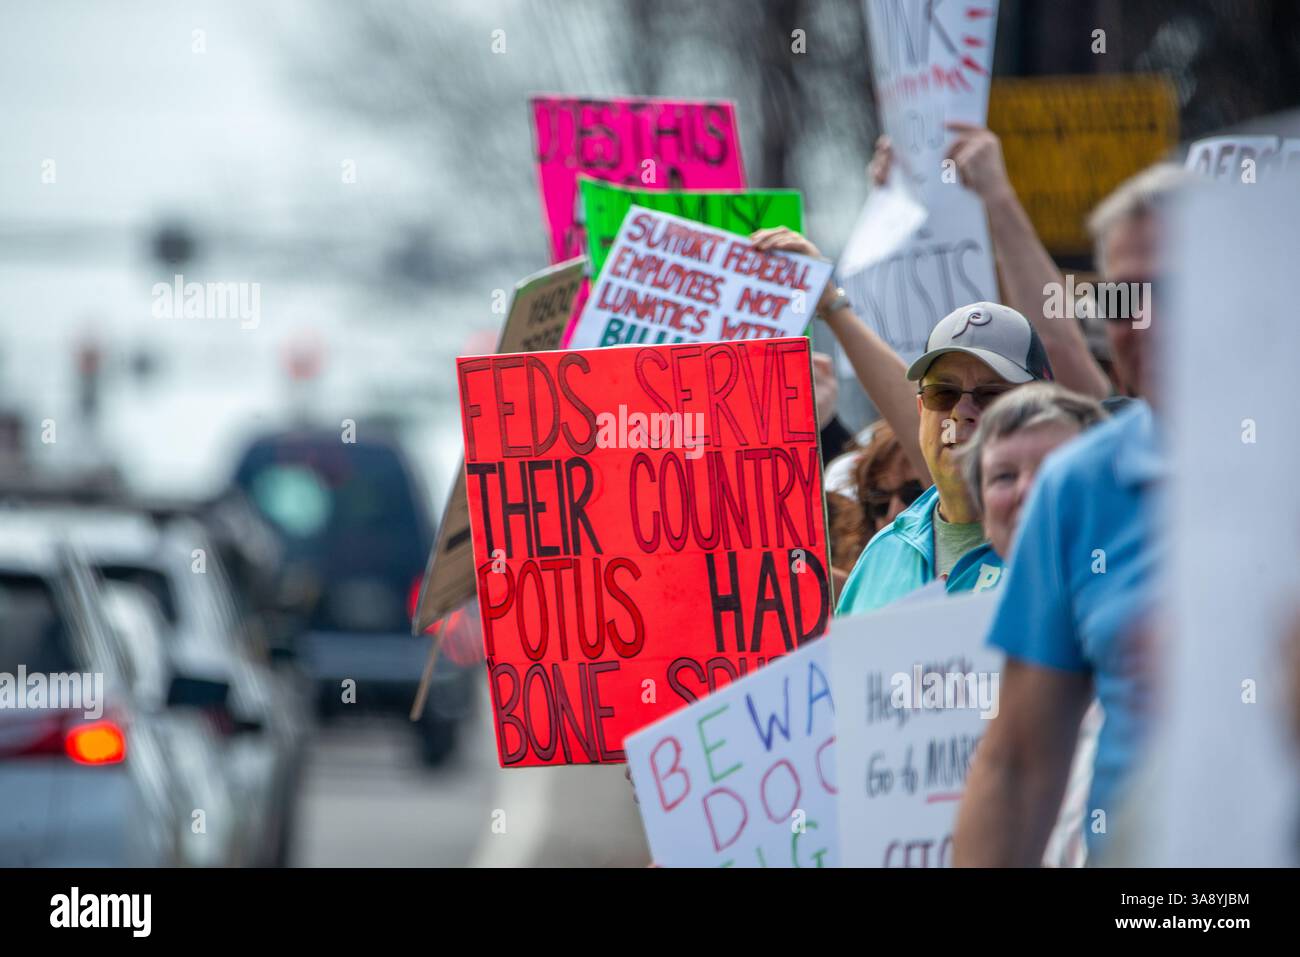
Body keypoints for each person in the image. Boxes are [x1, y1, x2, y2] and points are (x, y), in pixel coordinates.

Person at [952, 162, 1193, 866]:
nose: (1140, 324)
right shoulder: (1081, 487)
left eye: (1172, 290)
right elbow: (1019, 765)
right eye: (1122, 298)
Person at [952, 382, 1107, 866]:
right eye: (1003, 476)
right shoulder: (941, 637)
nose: (1027, 492)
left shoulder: (1143, 626)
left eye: (1054, 473)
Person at [831, 300, 1054, 614]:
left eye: (991, 395)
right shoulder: (883, 552)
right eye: (942, 394)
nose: (959, 412)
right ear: (922, 410)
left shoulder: (1072, 544)